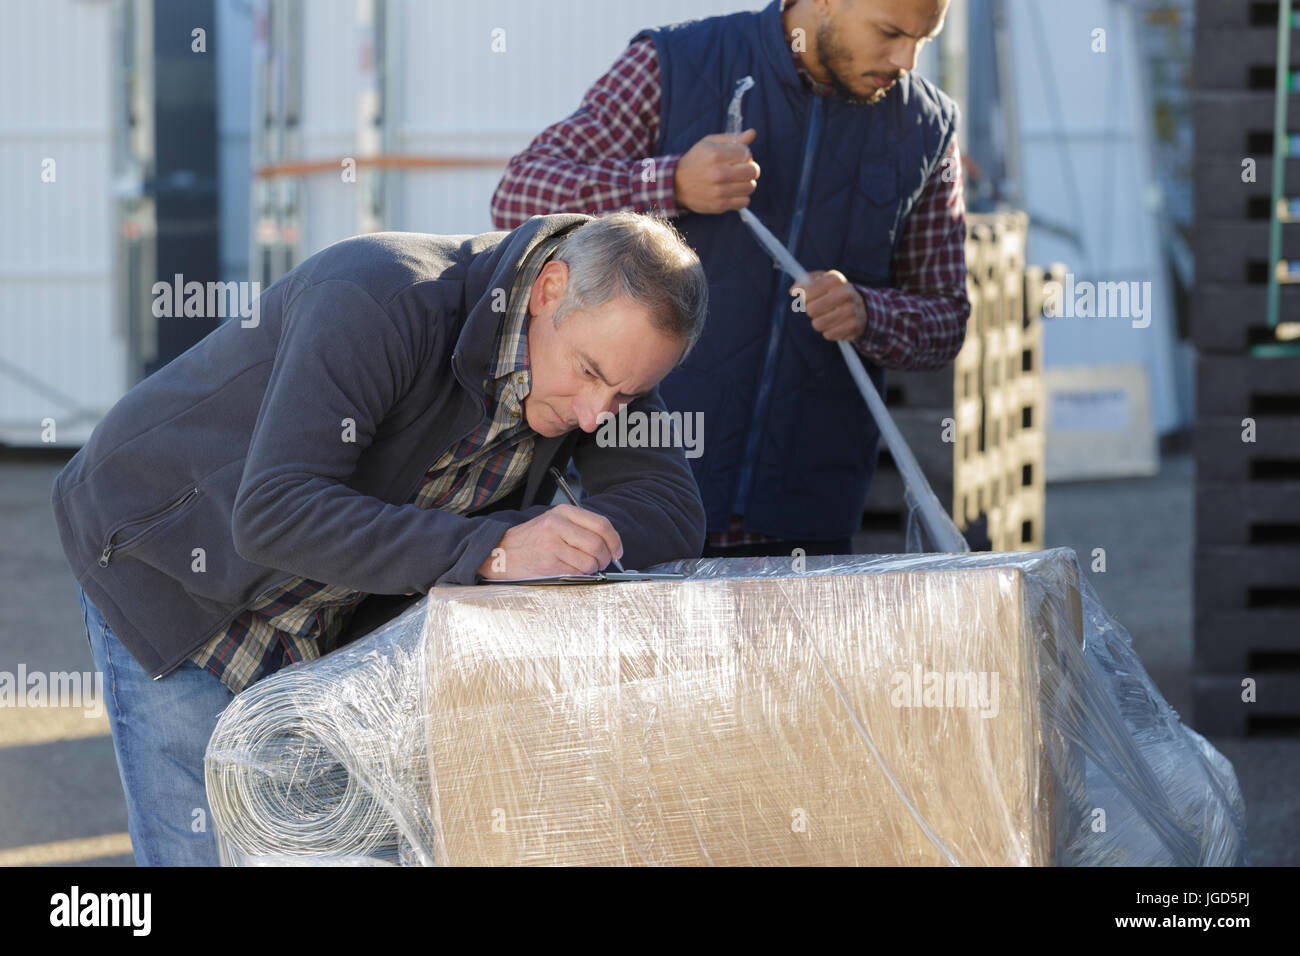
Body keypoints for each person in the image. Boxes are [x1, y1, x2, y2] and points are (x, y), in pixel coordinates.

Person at [52, 211, 709, 865]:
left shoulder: (605, 351)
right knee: (200, 850)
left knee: (318, 846)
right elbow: (275, 512)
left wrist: (529, 544)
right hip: (173, 565)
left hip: (324, 616)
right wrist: (494, 551)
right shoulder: (379, 297)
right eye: (589, 374)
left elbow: (673, 512)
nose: (596, 415)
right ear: (548, 289)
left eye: (626, 396)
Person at [492, 0, 971, 558]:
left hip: (807, 524)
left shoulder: (926, 127)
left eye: (922, 39)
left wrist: (868, 313)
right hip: (635, 499)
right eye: (890, 32)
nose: (905, 60)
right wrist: (669, 182)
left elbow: (947, 317)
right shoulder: (673, 65)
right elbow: (519, 195)